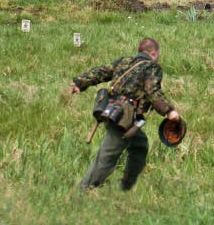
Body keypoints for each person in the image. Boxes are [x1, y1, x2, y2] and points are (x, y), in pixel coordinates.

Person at [69, 37, 181, 191]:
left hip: (112, 110)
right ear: (154, 52)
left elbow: (101, 72)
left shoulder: (124, 61)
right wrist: (170, 111)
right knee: (107, 155)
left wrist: (80, 82)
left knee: (139, 146)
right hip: (123, 118)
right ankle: (85, 189)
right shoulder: (152, 68)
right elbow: (151, 90)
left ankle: (126, 187)